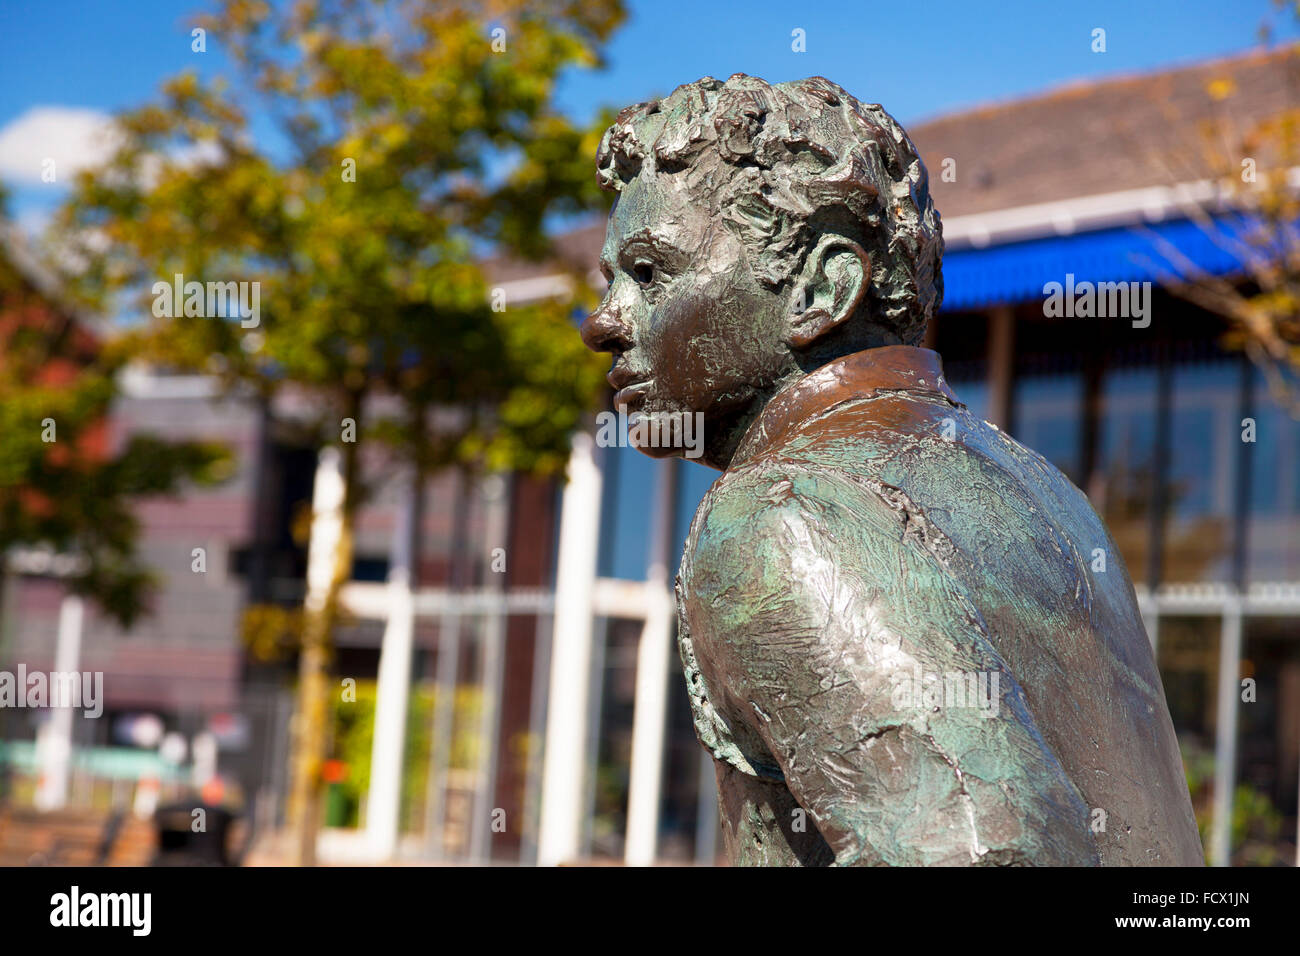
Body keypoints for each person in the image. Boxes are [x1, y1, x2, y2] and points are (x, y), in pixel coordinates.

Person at [580, 74, 1203, 866]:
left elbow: (984, 851)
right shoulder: (1048, 496)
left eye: (649, 271)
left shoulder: (780, 516)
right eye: (611, 283)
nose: (603, 323)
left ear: (821, 289)